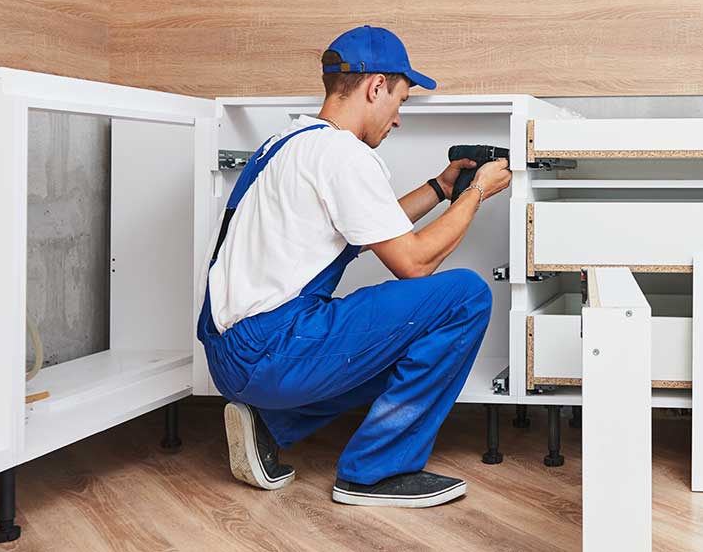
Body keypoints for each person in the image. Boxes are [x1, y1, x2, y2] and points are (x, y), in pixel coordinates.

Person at [196, 25, 511, 508]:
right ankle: (374, 473)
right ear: (376, 86)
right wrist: (477, 192)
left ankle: (271, 422)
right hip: (271, 349)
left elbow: (369, 230)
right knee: (465, 296)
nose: (398, 118)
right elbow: (414, 262)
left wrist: (441, 187)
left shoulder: (289, 143)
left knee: (408, 339)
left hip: (232, 353)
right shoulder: (343, 154)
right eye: (400, 101)